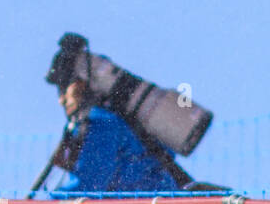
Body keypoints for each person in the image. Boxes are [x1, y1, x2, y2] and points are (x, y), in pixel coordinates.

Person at [45, 79, 218, 195]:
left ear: (81, 83)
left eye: (64, 88)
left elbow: (86, 188)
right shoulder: (123, 118)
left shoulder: (100, 124)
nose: (61, 99)